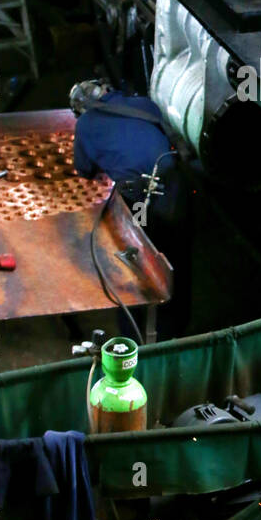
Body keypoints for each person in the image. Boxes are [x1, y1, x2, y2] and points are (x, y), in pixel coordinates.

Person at [70, 80, 190, 336]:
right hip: (174, 185)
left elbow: (84, 169)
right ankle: (176, 333)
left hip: (138, 199)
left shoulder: (86, 124)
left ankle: (132, 336)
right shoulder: (143, 104)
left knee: (132, 262)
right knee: (175, 258)